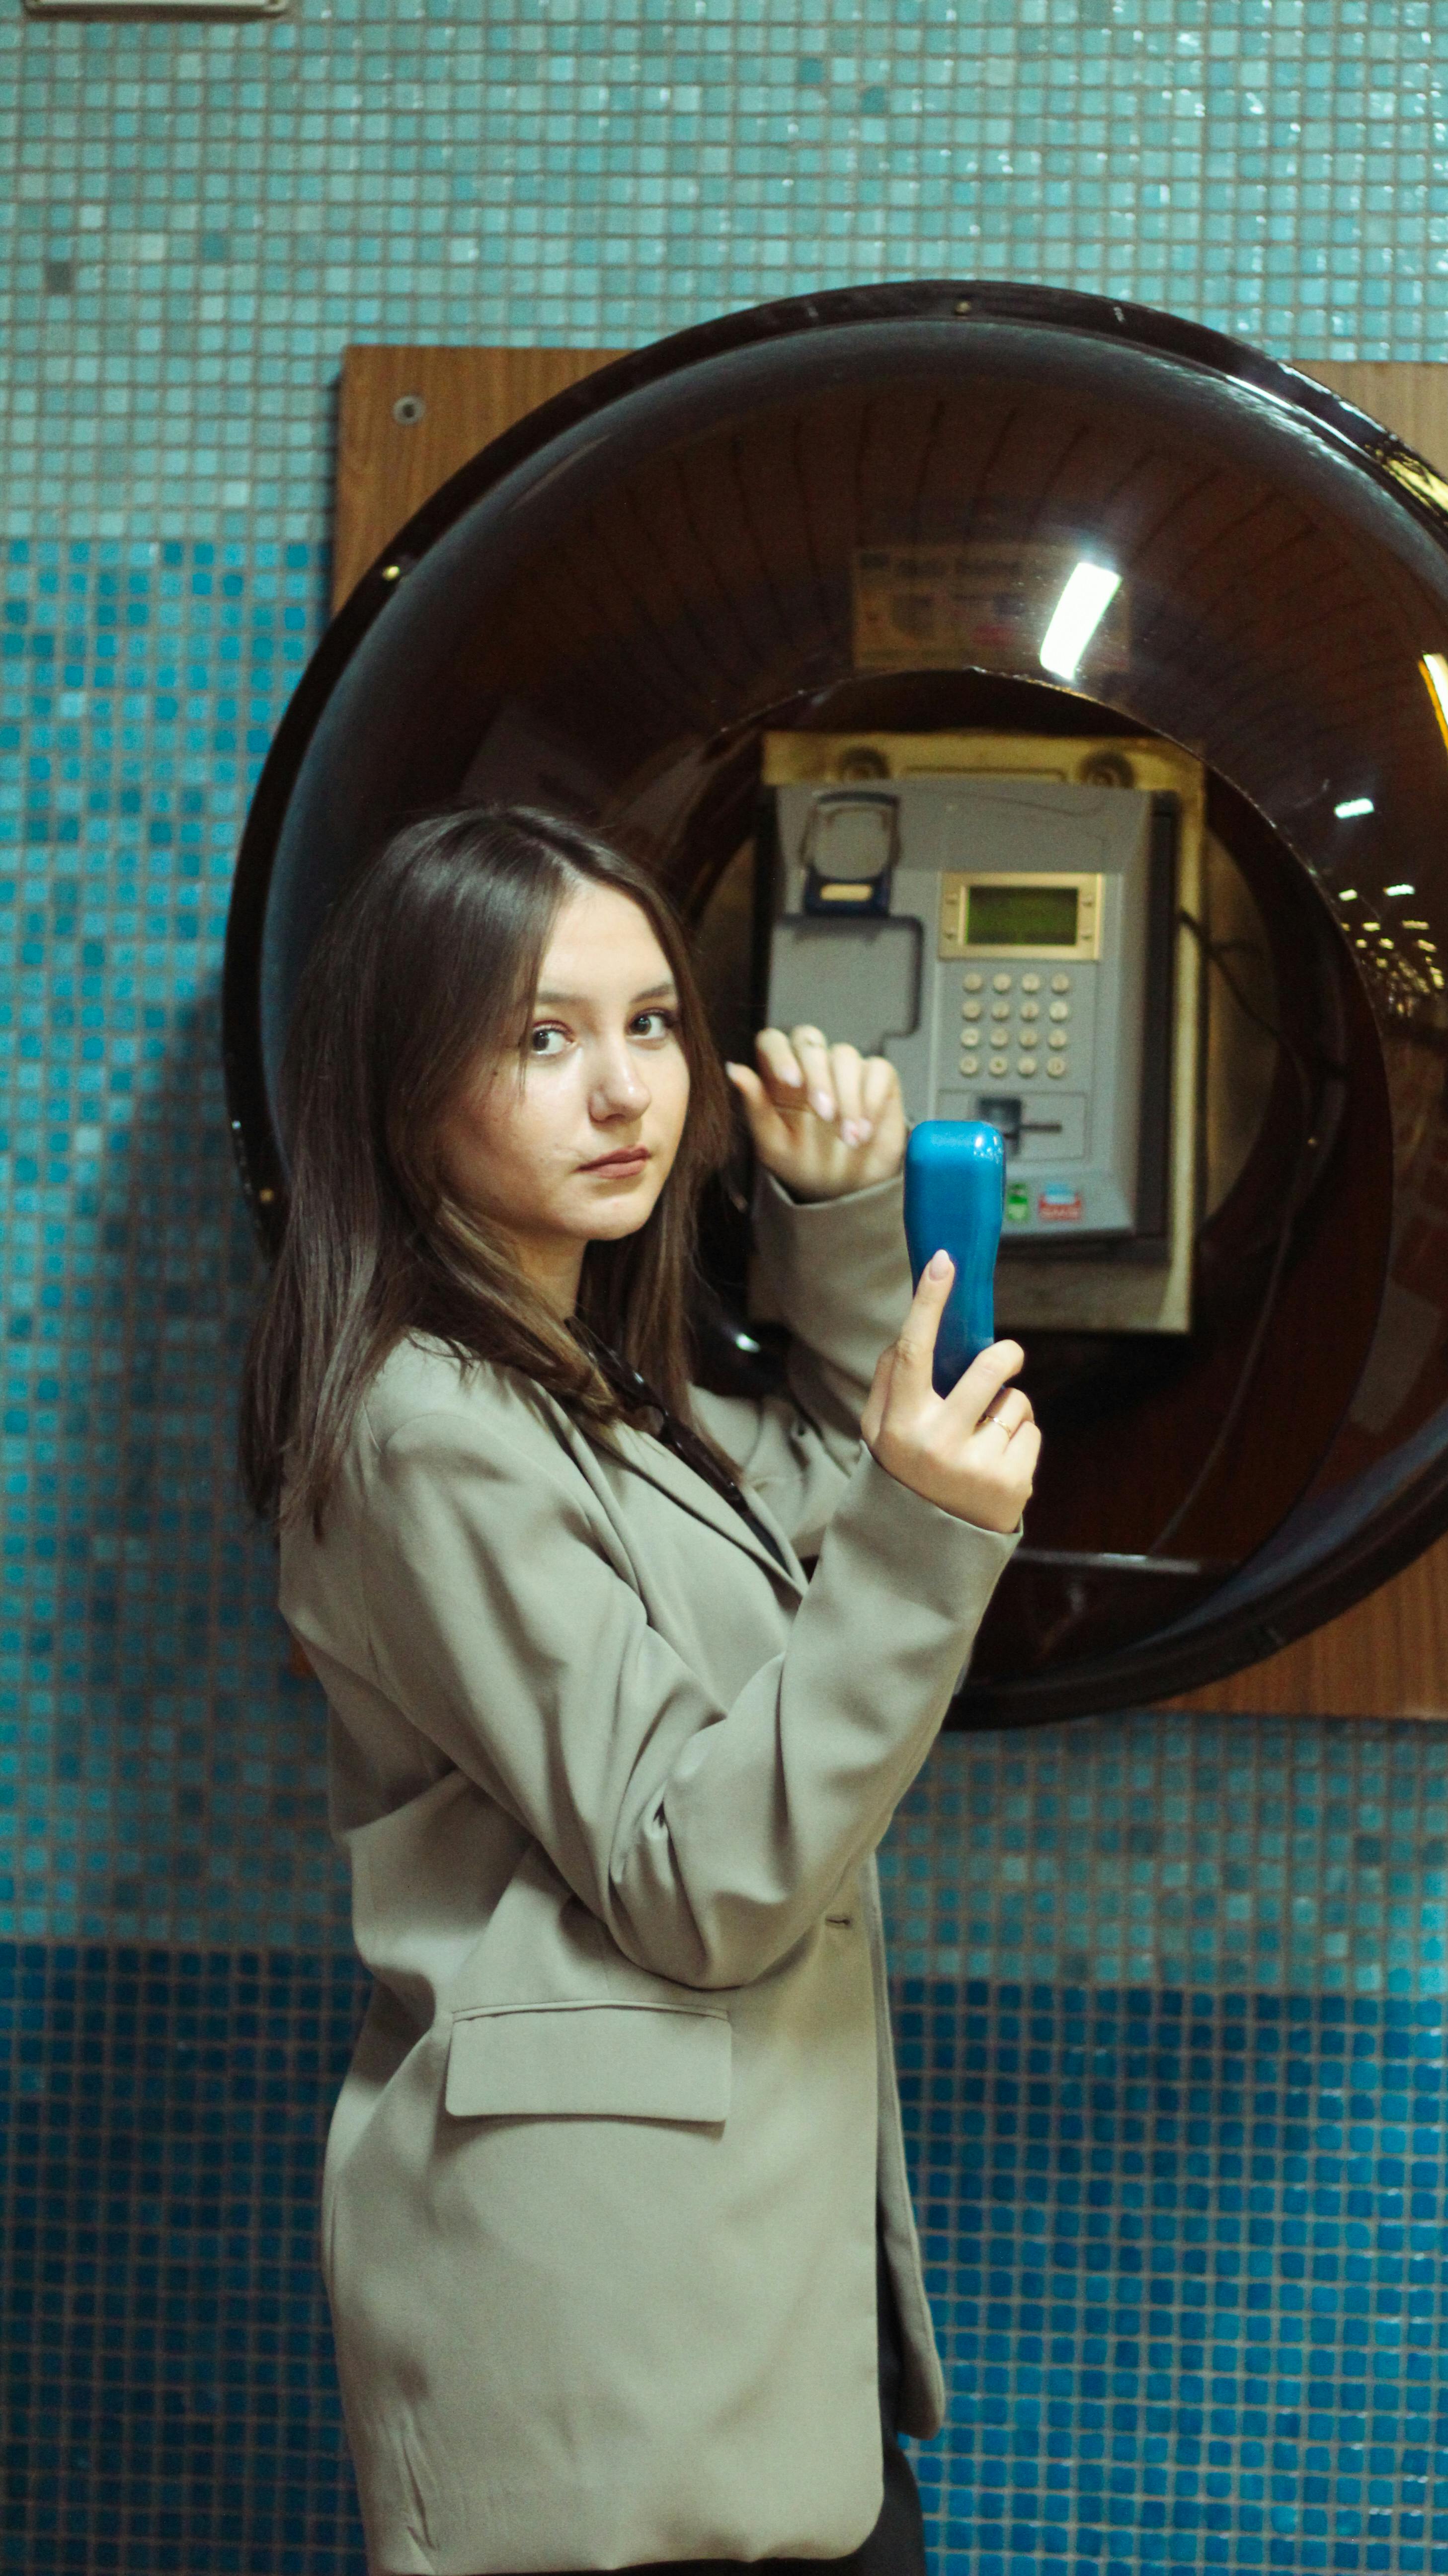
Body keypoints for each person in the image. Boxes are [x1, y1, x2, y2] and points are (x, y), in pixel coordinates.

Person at [240, 805, 1040, 2576]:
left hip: (723, 2317)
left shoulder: (580, 1391)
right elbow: (700, 1874)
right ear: (403, 1083)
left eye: (653, 1024)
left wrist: (836, 1219)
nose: (625, 1092)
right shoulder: (426, 1433)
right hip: (605, 2350)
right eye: (542, 1038)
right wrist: (926, 1537)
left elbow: (815, 1505)